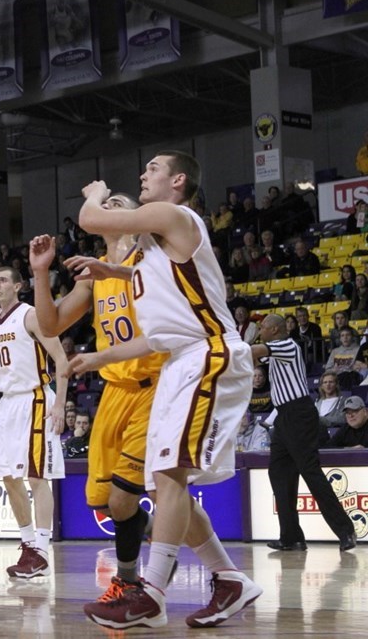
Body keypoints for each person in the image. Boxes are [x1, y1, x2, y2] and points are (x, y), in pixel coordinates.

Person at [70, 152, 260, 629]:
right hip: (180, 358)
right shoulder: (152, 254)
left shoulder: (175, 216)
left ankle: (150, 593)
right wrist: (99, 356)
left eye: (153, 168)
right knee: (160, 483)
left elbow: (90, 219)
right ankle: (229, 578)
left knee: (170, 475)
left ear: (178, 181)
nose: (142, 173)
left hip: (208, 353)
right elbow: (157, 335)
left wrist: (95, 195)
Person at [30, 195, 169, 605]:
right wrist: (40, 273)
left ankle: (134, 580)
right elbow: (50, 324)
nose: (107, 204)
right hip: (113, 392)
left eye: (117, 201)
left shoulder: (153, 257)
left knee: (127, 497)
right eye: (103, 201)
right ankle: (146, 543)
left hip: (153, 386)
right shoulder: (94, 272)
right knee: (106, 503)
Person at [0, 266, 68, 581]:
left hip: (36, 398)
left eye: (3, 280)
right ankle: (27, 545)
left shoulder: (31, 315)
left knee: (37, 477)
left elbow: (61, 359)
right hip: (7, 402)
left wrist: (60, 404)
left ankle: (42, 551)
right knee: (10, 478)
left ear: (18, 286)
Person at [250, 314, 357, 552]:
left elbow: (252, 351)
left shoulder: (288, 345)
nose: (260, 330)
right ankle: (292, 537)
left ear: (275, 330)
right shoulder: (275, 351)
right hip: (283, 416)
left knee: (310, 471)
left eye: (263, 327)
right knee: (279, 473)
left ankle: (346, 530)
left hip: (299, 413)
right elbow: (253, 358)